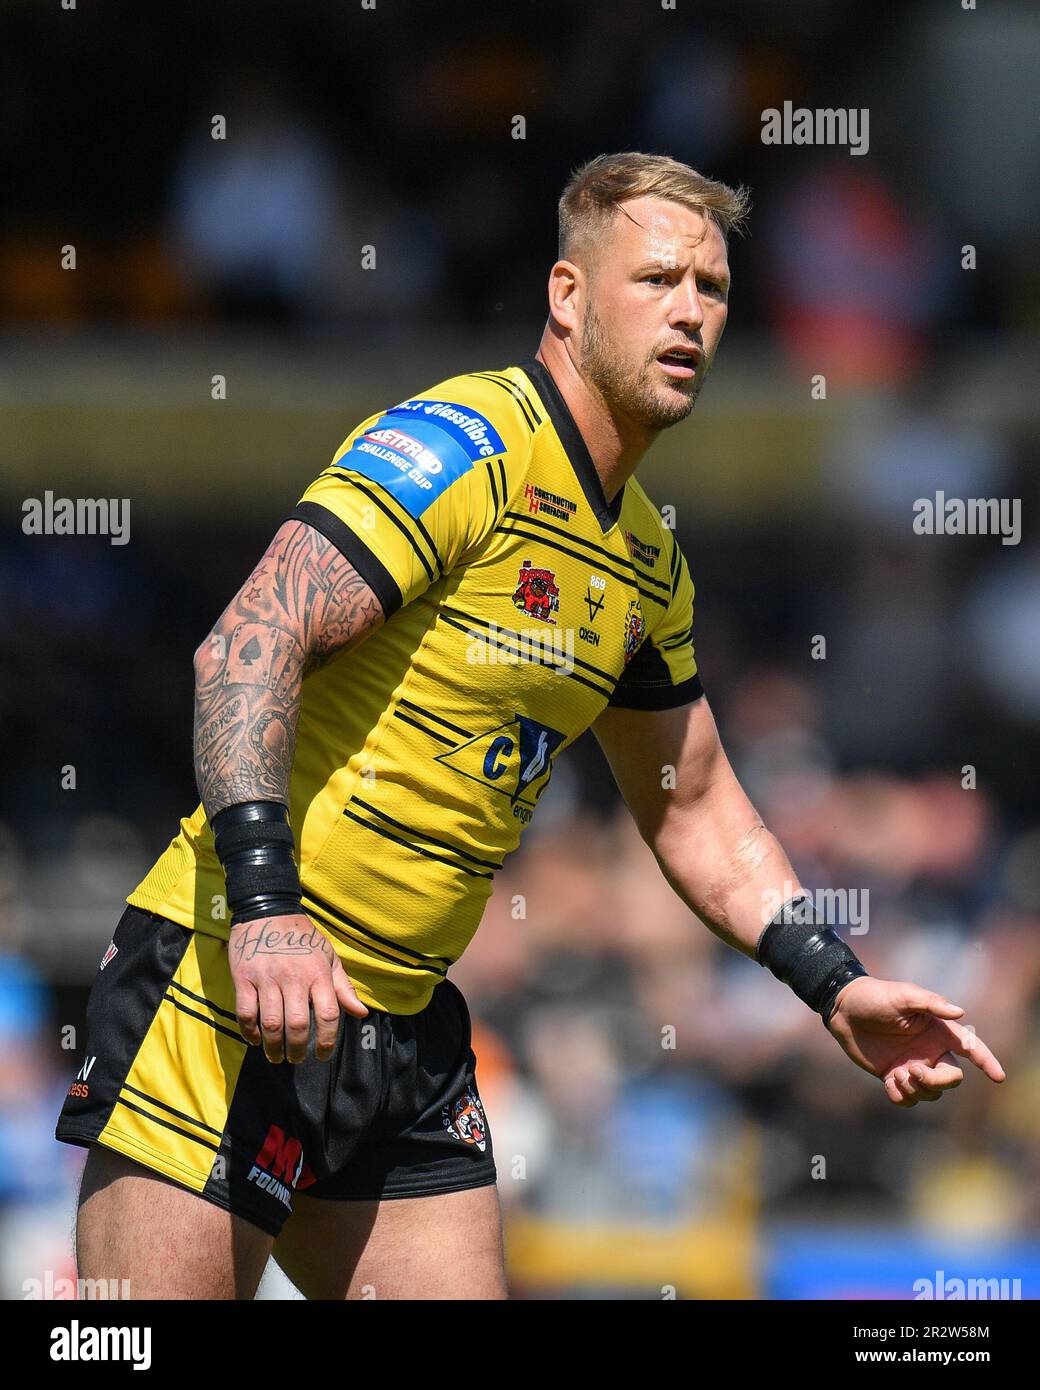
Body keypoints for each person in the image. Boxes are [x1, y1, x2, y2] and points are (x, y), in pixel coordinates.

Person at [56, 151, 1006, 1300]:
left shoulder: (648, 562)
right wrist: (265, 913)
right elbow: (248, 642)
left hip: (397, 1028)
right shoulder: (466, 446)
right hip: (230, 974)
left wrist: (834, 982)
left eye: (710, 288)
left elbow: (692, 803)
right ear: (566, 296)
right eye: (655, 279)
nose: (689, 312)